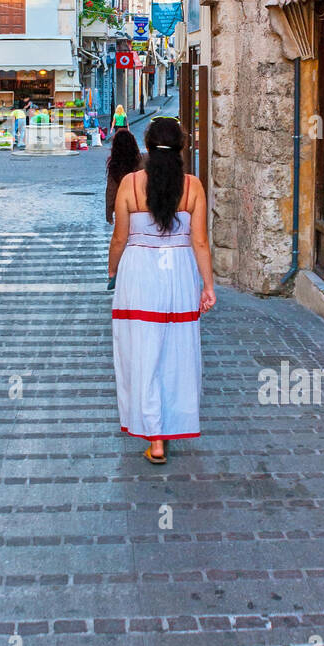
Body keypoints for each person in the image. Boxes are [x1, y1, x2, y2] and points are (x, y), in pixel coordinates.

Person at [108, 116, 216, 464]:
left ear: (148, 145)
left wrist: (112, 269)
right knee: (177, 352)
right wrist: (208, 285)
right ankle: (171, 426)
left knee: (141, 351)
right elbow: (199, 241)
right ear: (182, 146)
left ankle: (154, 437)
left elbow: (120, 237)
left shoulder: (130, 183)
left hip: (138, 273)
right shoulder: (193, 186)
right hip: (179, 274)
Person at [105, 127, 142, 223]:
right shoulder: (141, 161)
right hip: (141, 205)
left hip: (123, 206)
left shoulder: (115, 166)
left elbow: (111, 189)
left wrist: (109, 213)